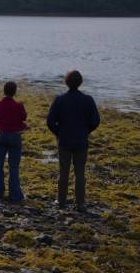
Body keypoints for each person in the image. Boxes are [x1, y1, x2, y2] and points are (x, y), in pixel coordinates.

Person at [47, 70, 100, 212]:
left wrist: (58, 133)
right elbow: (96, 121)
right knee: (80, 173)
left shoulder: (59, 100)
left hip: (64, 140)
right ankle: (80, 203)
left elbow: (50, 121)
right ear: (80, 82)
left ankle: (61, 201)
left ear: (66, 82)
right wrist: (86, 131)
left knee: (63, 171)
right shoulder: (88, 100)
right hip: (81, 140)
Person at [0, 81, 28, 202]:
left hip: (2, 135)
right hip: (15, 137)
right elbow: (24, 117)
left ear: (4, 91)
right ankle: (15, 195)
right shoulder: (19, 106)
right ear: (14, 92)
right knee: (14, 167)